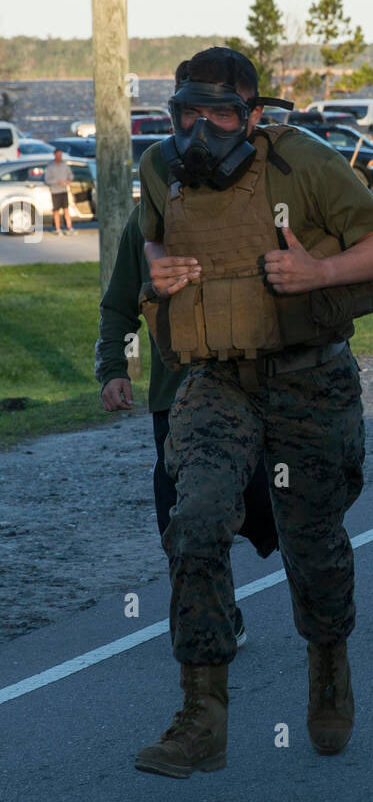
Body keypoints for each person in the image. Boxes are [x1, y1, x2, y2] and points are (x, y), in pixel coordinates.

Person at [133, 47, 373, 779]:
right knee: (194, 522)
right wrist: (156, 274)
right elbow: (156, 241)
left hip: (307, 378)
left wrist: (320, 272)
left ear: (253, 114)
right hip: (216, 379)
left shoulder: (304, 163)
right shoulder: (160, 169)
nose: (200, 128)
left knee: (312, 545)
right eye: (186, 111)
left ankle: (327, 662)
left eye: (219, 112)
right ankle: (203, 716)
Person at [94, 204, 280, 647]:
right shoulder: (148, 218)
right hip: (177, 398)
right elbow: (120, 304)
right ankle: (212, 615)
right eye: (185, 128)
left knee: (266, 505)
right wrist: (114, 367)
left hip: (255, 391)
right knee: (184, 517)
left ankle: (299, 568)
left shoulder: (265, 202)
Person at [43, 148, 74, 234]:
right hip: (55, 191)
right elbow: (47, 180)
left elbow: (71, 175)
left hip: (64, 190)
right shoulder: (50, 167)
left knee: (66, 209)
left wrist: (68, 180)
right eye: (58, 155)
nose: (60, 157)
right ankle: (58, 228)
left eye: (61, 155)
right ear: (55, 155)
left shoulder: (64, 165)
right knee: (56, 210)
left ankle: (69, 227)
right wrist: (57, 182)